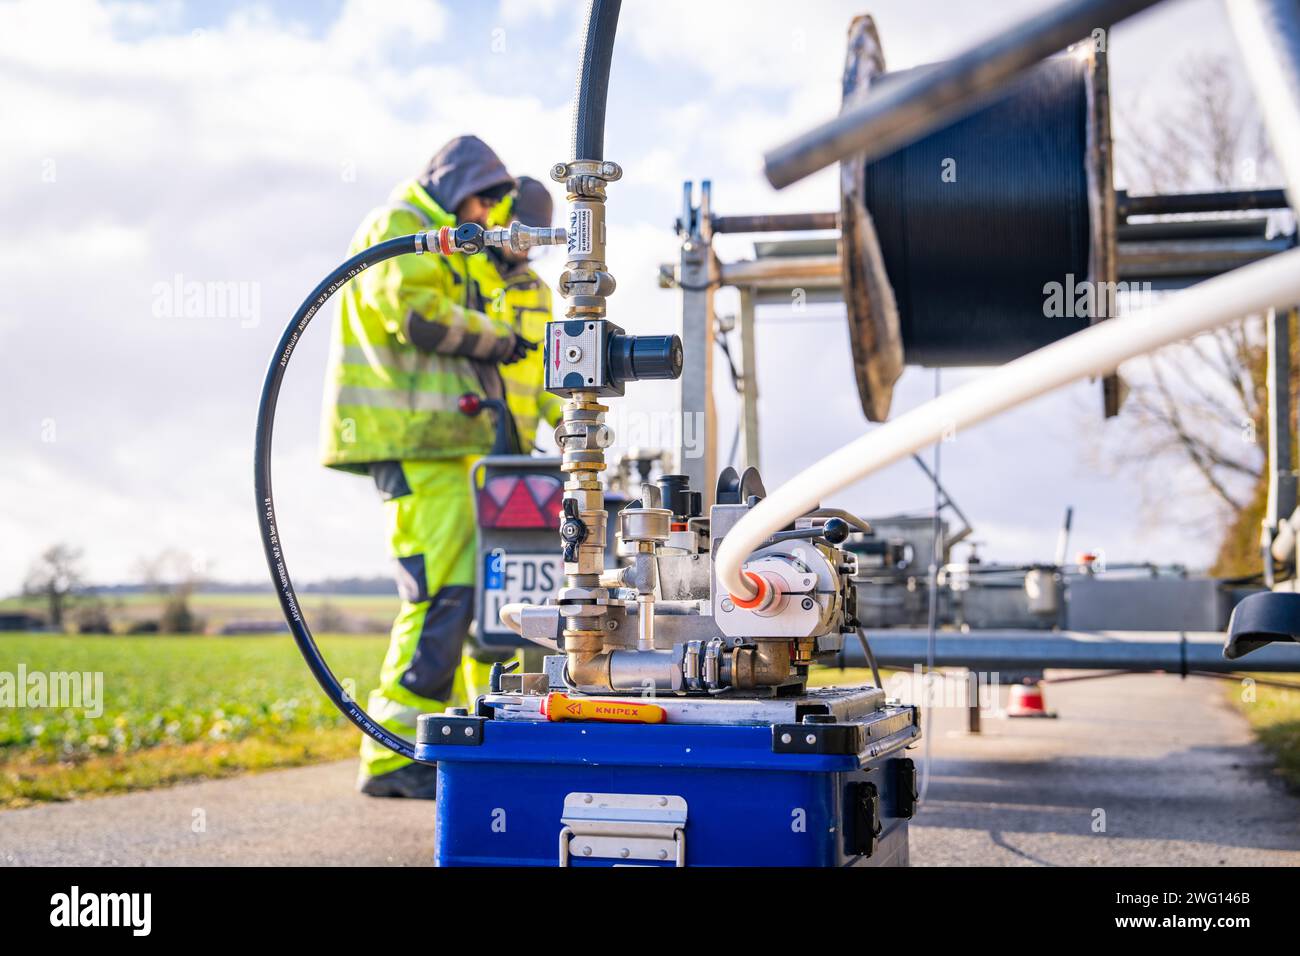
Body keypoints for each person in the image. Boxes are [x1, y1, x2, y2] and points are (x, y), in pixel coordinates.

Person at [319, 135, 530, 798]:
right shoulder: (401, 227)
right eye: (482, 199)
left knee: (459, 596)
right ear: (454, 185)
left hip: (443, 445)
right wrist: (499, 339)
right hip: (417, 445)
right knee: (437, 595)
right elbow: (414, 315)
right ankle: (391, 757)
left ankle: (431, 744)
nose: (487, 215)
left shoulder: (443, 238)